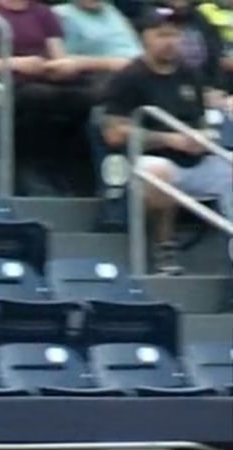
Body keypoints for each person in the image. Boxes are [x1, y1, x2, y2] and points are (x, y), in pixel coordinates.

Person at [101, 7, 233, 274]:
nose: (170, 41)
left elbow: (201, 120)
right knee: (157, 172)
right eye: (162, 35)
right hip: (145, 163)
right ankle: (164, 247)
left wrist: (203, 137)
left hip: (195, 161)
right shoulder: (129, 77)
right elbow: (113, 133)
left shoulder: (189, 75)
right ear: (145, 38)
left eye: (175, 35)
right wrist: (169, 139)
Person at [0, 0, 100, 196]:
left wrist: (60, 67)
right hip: (7, 84)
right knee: (38, 97)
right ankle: (30, 169)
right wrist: (15, 63)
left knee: (87, 96)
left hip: (44, 79)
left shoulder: (43, 12)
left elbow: (58, 56)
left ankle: (75, 175)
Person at [54, 0, 143, 75]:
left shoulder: (110, 9)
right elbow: (64, 60)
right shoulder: (63, 15)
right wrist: (108, 64)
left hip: (142, 66)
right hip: (108, 76)